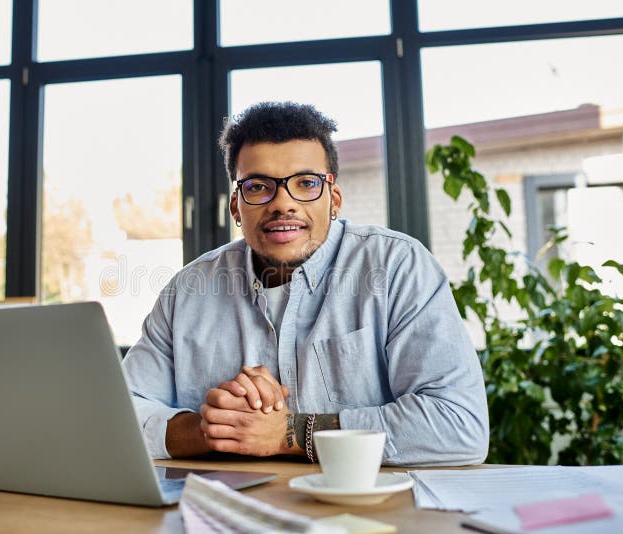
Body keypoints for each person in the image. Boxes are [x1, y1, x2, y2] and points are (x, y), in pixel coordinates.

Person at [122, 101, 488, 466]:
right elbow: (121, 414)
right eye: (258, 186)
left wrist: (290, 432)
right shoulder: (186, 291)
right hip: (230, 513)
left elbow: (458, 425)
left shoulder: (398, 267)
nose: (282, 203)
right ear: (236, 205)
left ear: (335, 199)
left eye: (307, 183)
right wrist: (212, 429)